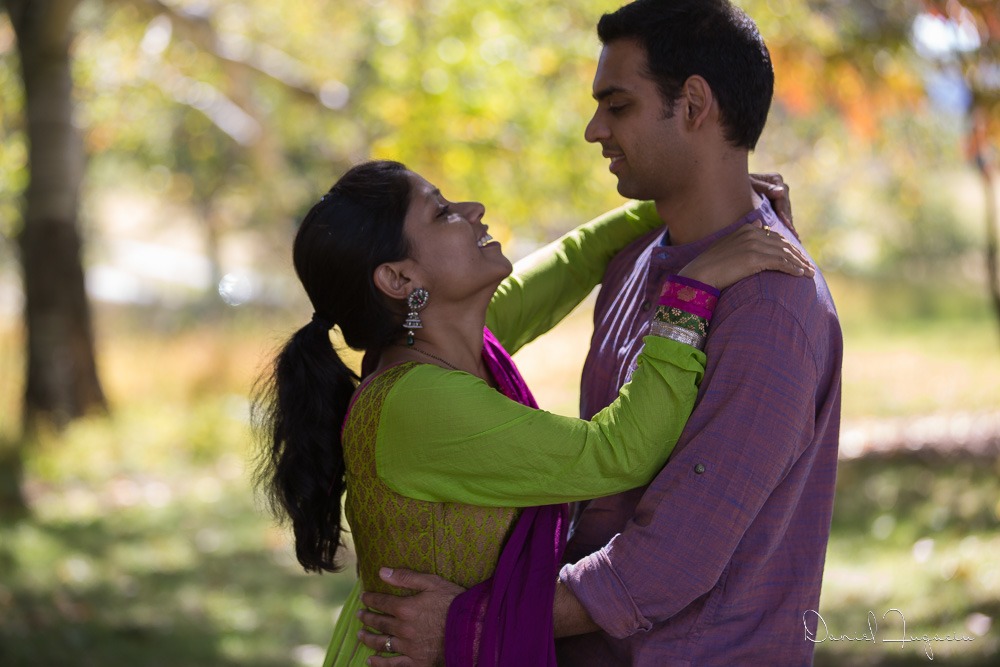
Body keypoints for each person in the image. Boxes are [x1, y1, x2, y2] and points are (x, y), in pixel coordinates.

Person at [356, 0, 842, 665]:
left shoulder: (768, 304)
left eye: (617, 106)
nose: (593, 130)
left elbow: (665, 562)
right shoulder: (637, 265)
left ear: (695, 105)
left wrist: (471, 621)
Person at [251, 159, 811, 666]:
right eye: (443, 213)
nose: (473, 210)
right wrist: (691, 295)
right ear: (400, 279)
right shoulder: (419, 403)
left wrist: (692, 195)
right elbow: (619, 452)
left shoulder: (454, 339)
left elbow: (576, 258)